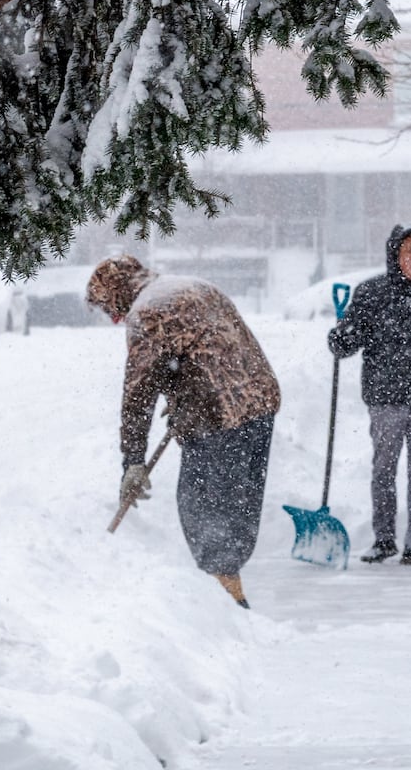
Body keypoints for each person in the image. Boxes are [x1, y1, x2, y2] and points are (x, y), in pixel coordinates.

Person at [86, 254, 281, 608]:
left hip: (217, 418)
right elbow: (213, 349)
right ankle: (230, 587)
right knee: (239, 506)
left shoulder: (147, 311)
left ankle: (223, 602)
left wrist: (132, 460)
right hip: (260, 403)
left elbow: (138, 393)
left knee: (201, 506)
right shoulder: (196, 285)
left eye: (109, 309)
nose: (114, 319)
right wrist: (183, 390)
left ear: (117, 294)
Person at [327, 224, 411, 567]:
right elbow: (351, 340)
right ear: (395, 254)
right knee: (384, 468)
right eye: (410, 251)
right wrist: (341, 339)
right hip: (385, 396)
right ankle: (384, 539)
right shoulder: (372, 293)